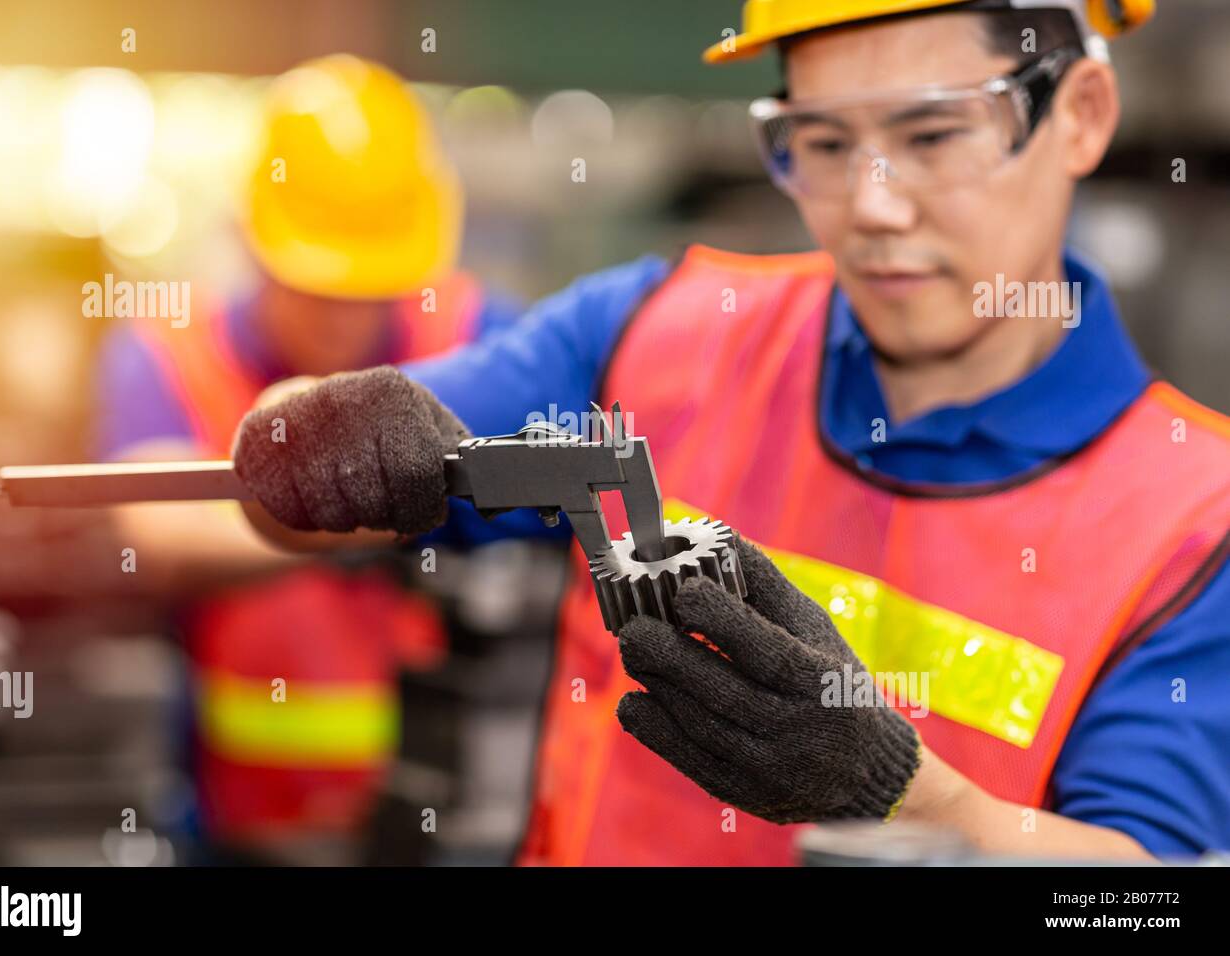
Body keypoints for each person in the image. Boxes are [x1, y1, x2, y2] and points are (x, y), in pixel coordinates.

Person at [230, 1, 1230, 864]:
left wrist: (903, 795)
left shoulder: (1194, 523)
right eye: (826, 144)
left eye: (932, 136)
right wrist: (305, 434)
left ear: (1081, 115)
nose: (873, 206)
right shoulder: (654, 336)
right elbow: (343, 482)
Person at [94, 55, 522, 850]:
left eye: (372, 286)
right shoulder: (169, 356)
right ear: (248, 239)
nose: (345, 318)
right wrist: (356, 516)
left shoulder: (475, 335)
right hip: (234, 824)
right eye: (320, 287)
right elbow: (154, 534)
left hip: (454, 822)